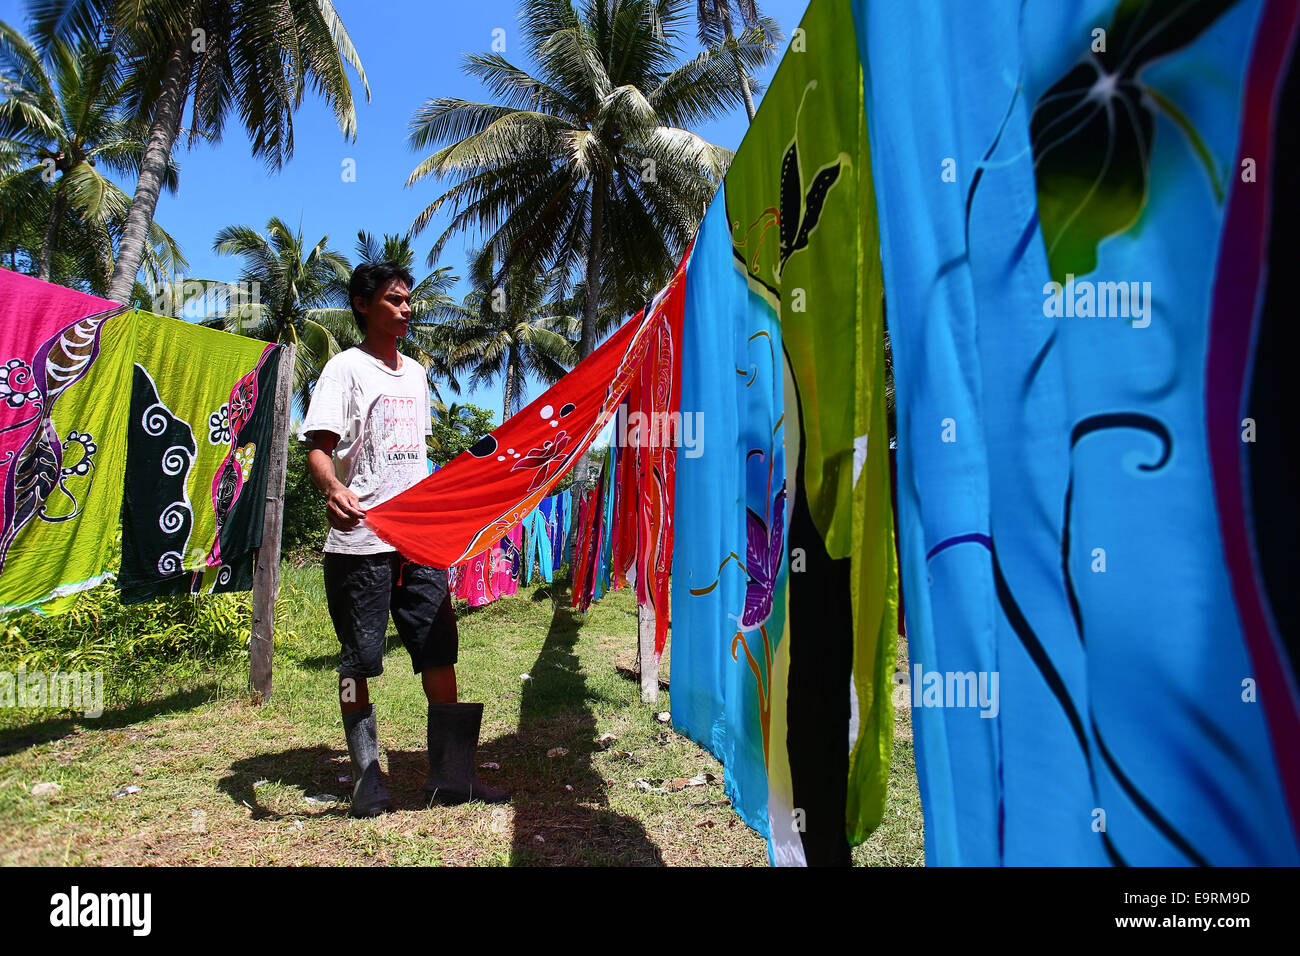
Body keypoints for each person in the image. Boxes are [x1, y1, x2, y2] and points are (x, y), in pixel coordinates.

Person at [297, 260, 508, 817]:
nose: (407, 308)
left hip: (418, 542)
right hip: (358, 543)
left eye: (409, 299)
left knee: (439, 648)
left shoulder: (415, 373)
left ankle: (453, 776)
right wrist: (332, 490)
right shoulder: (344, 369)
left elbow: (415, 458)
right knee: (356, 663)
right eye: (394, 299)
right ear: (363, 306)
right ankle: (367, 773)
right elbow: (318, 448)